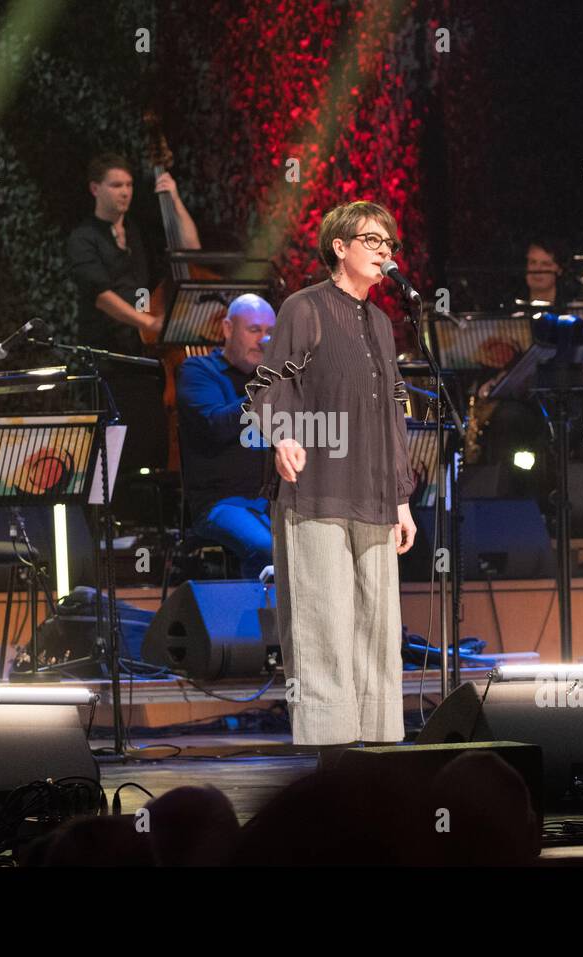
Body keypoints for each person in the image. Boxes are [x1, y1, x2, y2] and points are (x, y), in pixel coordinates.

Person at [243, 201, 417, 748]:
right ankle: (331, 753)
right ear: (339, 248)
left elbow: (392, 411)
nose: (384, 251)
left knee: (378, 626)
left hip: (375, 494)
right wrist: (284, 435)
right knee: (324, 624)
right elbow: (269, 383)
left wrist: (403, 499)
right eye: (372, 240)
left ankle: (379, 747)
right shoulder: (306, 308)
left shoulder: (384, 324)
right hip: (316, 490)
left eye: (389, 243)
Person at [67, 152, 200, 478]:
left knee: (149, 437)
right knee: (118, 445)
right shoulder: (83, 238)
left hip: (145, 356)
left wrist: (175, 199)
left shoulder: (138, 232)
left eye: (128, 184)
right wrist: (149, 323)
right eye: (116, 185)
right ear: (95, 188)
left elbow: (190, 250)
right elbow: (101, 297)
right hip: (108, 359)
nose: (124, 191)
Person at [176, 294, 276, 578]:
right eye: (254, 330)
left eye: (271, 333)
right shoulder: (199, 371)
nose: (263, 340)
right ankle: (257, 619)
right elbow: (215, 427)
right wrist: (262, 388)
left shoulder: (275, 379)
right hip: (220, 503)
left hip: (273, 502)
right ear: (228, 329)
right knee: (266, 547)